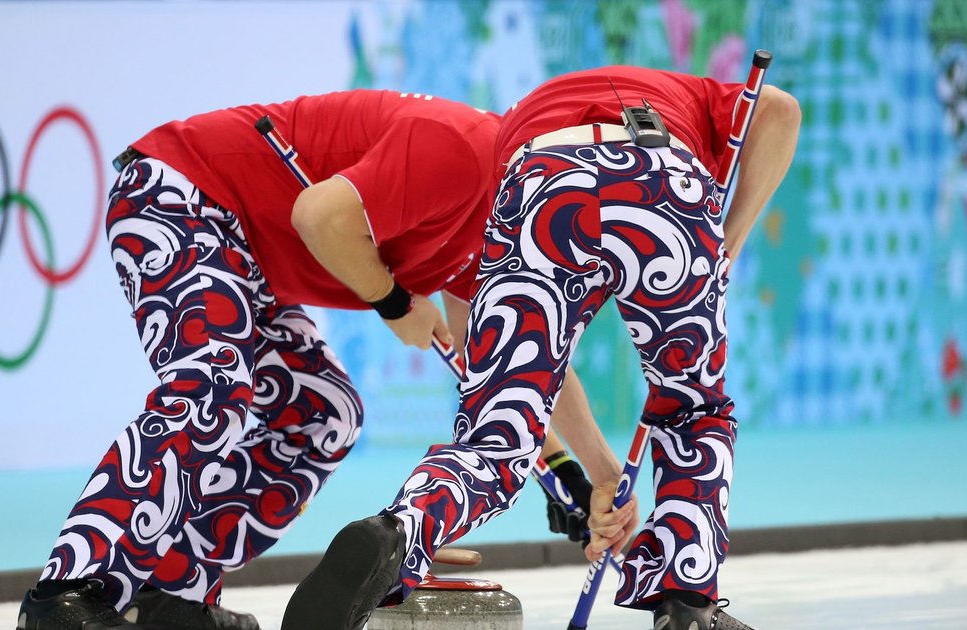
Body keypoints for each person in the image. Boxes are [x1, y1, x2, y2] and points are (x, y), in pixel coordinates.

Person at [14, 88, 626, 630]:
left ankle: (171, 590)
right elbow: (320, 217)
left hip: (251, 262)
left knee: (325, 413)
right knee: (212, 386)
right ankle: (67, 592)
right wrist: (393, 301)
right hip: (181, 194)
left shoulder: (511, 219)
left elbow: (510, 360)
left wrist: (577, 468)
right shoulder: (462, 147)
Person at [282, 65, 801, 630]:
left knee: (497, 432)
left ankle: (399, 532)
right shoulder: (694, 97)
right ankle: (686, 604)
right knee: (691, 410)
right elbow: (779, 110)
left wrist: (603, 476)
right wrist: (731, 239)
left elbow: (527, 367)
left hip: (539, 180)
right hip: (665, 178)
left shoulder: (520, 122)